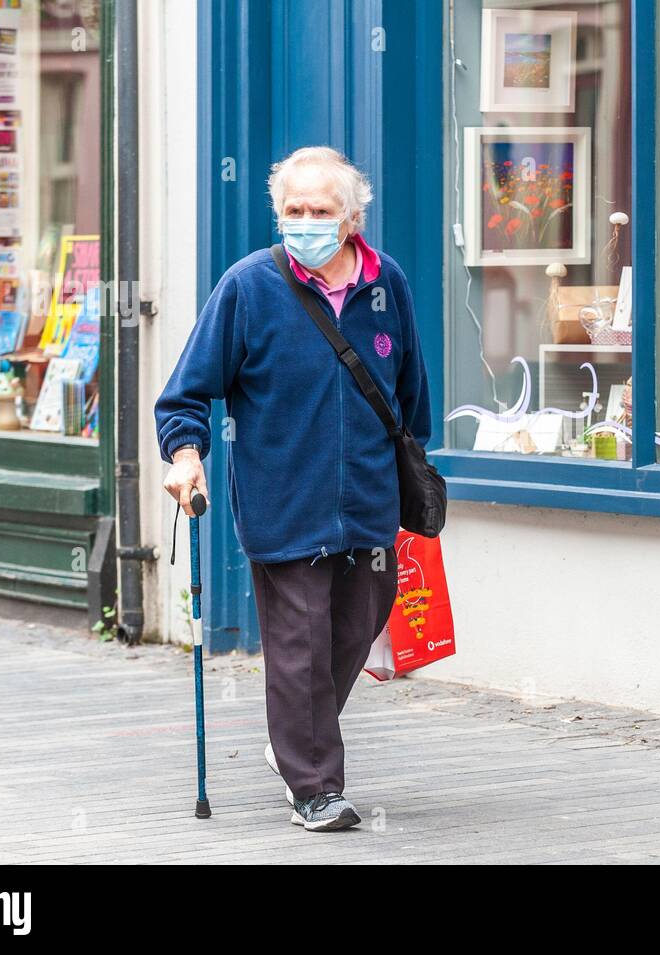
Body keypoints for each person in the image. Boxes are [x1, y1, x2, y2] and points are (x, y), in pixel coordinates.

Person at [155, 146, 431, 831]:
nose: (306, 222)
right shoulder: (249, 287)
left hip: (367, 502)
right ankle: (315, 784)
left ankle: (296, 739)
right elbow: (187, 392)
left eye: (321, 210)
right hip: (283, 501)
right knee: (301, 641)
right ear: (279, 214)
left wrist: (412, 471)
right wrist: (185, 454)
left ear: (352, 217)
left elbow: (412, 395)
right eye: (294, 210)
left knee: (357, 627)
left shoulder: (384, 283)